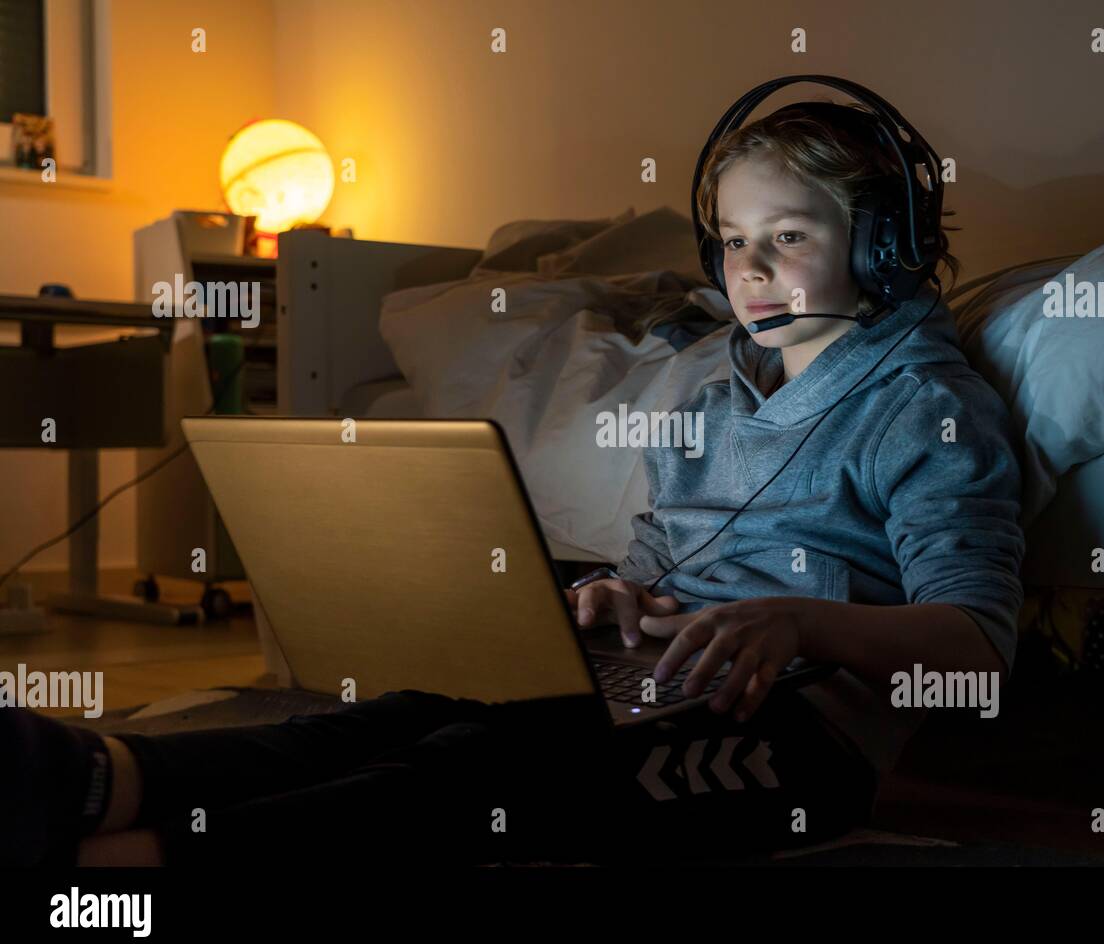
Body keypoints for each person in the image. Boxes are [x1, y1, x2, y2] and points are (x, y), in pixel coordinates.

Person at [2, 99, 1023, 867]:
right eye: (732, 242)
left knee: (472, 773)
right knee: (405, 714)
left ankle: (120, 865)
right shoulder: (719, 387)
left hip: (800, 739)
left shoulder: (926, 407)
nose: (747, 269)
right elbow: (668, 554)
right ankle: (98, 778)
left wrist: (797, 624)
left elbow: (976, 651)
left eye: (788, 239)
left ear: (882, 249)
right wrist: (618, 594)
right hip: (654, 681)